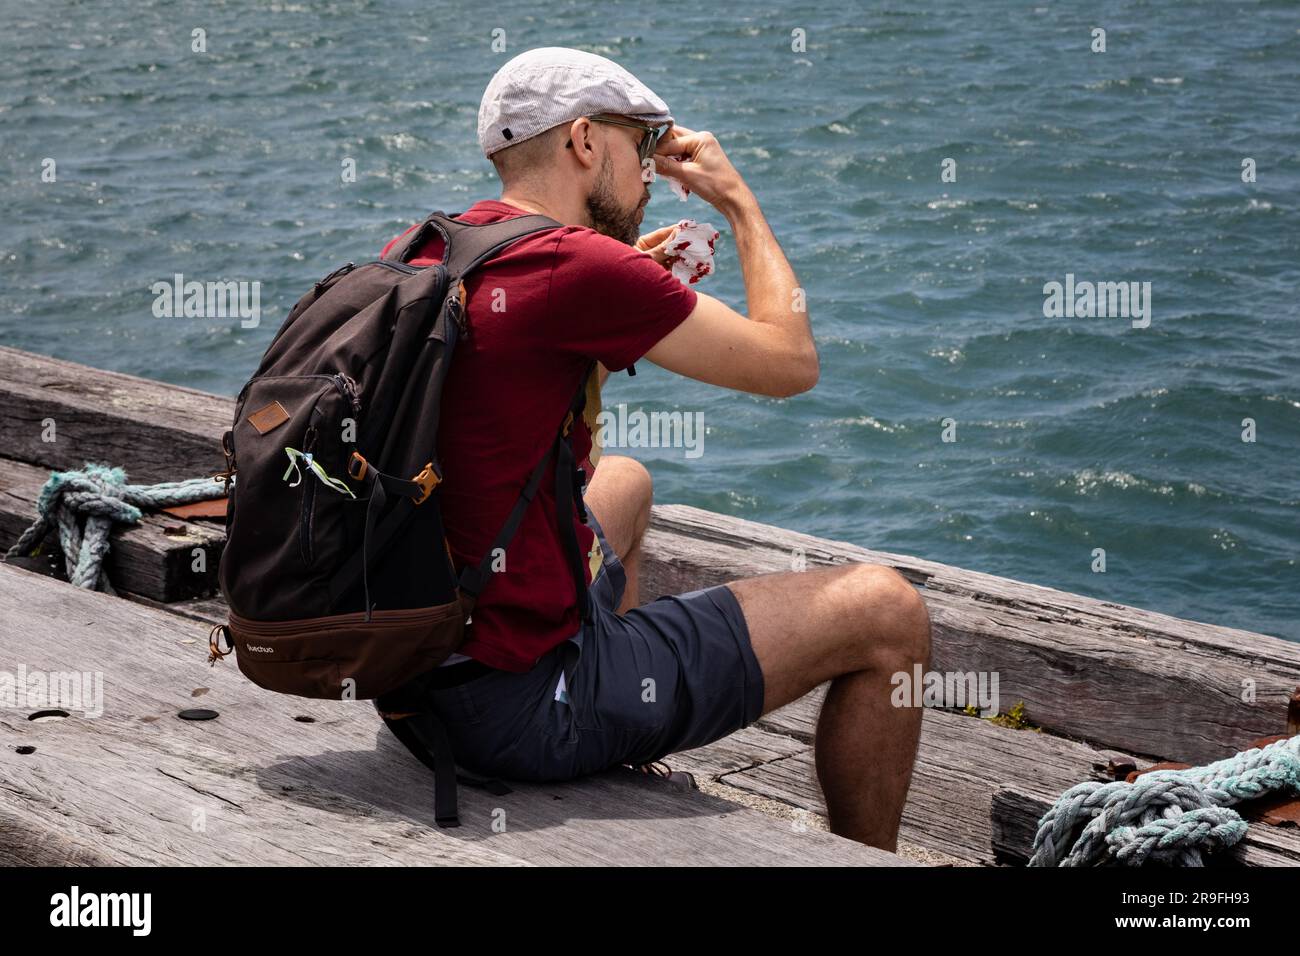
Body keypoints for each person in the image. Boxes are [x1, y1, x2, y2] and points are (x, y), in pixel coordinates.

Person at [384, 47, 931, 852]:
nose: (649, 179)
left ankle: (620, 715)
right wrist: (738, 201)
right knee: (889, 612)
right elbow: (792, 360)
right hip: (513, 709)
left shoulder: (436, 243)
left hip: (412, 681)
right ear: (583, 144)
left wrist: (625, 289)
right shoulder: (580, 266)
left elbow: (503, 368)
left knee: (628, 482)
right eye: (641, 151)